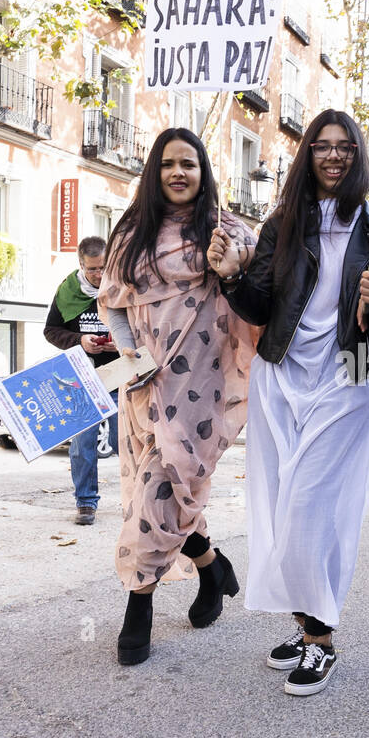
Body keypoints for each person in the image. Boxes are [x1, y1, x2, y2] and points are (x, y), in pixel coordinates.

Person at [208, 109, 369, 697]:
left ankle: (321, 640)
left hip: (351, 378)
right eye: (323, 146)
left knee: (312, 511)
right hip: (281, 374)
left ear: (358, 155)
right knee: (278, 505)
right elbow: (261, 304)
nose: (335, 156)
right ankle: (305, 622)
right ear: (309, 154)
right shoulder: (283, 224)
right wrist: (231, 276)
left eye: (346, 147)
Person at [96, 127, 259, 665]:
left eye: (189, 163)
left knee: (167, 486)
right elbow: (113, 303)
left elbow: (258, 296)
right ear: (155, 172)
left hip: (202, 387)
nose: (178, 173)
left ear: (203, 171)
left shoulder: (227, 230)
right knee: (163, 491)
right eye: (168, 164)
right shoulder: (131, 234)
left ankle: (137, 603)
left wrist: (230, 265)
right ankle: (213, 568)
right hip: (143, 384)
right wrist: (127, 356)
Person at [45, 235, 121, 526]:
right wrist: (80, 340)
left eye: (103, 267)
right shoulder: (67, 291)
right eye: (92, 270)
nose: (99, 275)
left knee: (123, 442)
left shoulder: (122, 285)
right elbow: (51, 330)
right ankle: (86, 503)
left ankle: (137, 500)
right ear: (81, 265)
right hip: (82, 378)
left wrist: (121, 343)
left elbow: (144, 326)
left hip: (119, 374)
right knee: (82, 446)